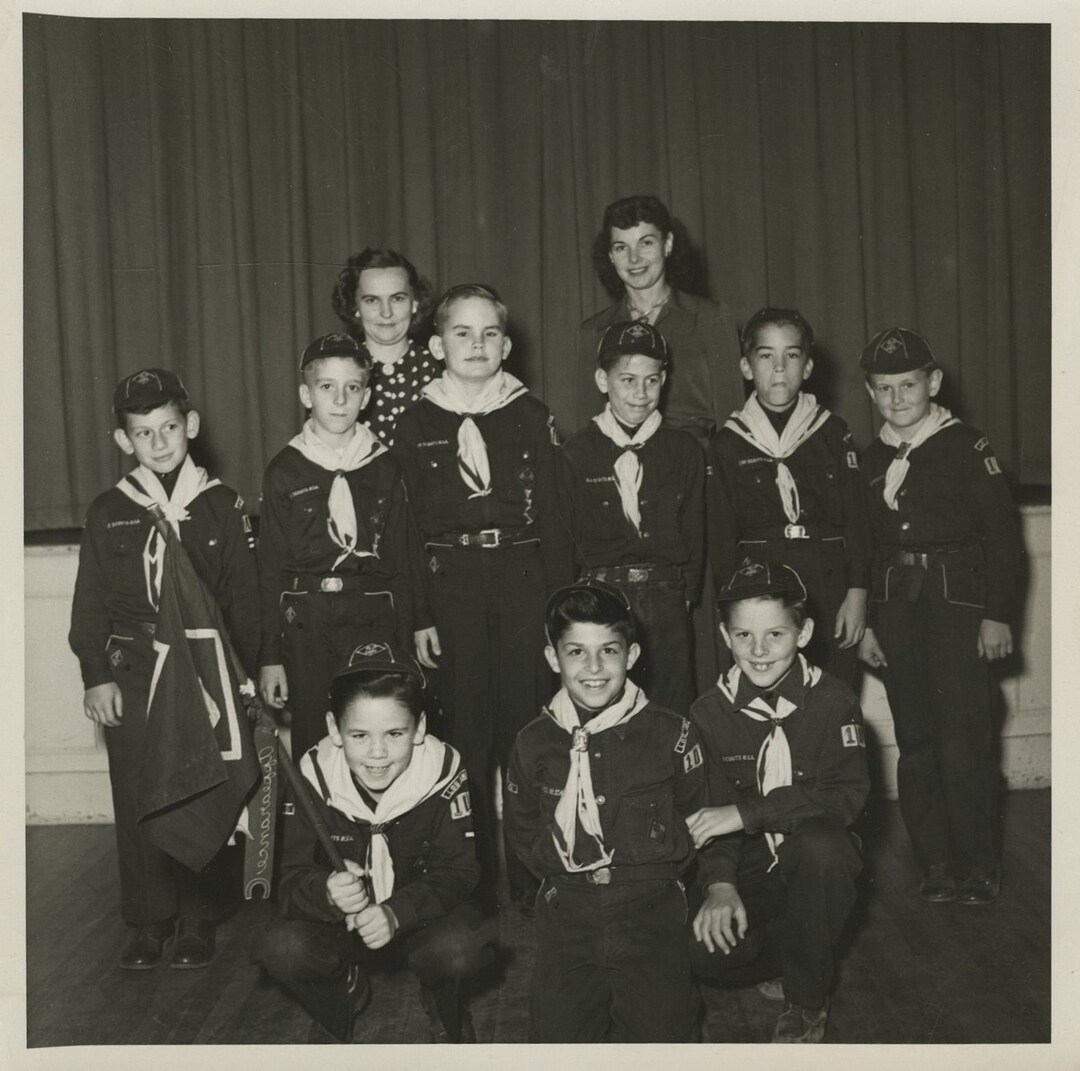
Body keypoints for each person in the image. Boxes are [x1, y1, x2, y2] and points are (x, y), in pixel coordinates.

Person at [68, 368, 260, 970]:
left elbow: (245, 601)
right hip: (133, 671)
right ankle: (150, 921)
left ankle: (197, 919)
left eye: (169, 428)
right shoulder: (109, 512)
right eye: (142, 432)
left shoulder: (221, 505)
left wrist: (247, 678)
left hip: (205, 671)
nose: (158, 442)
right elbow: (89, 604)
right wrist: (95, 674)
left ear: (191, 427)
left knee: (200, 783)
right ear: (123, 440)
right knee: (138, 795)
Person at [393, 283, 573, 913]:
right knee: (464, 740)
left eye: (489, 333)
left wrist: (560, 613)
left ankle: (532, 878)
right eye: (462, 334)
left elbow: (554, 517)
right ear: (438, 344)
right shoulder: (414, 423)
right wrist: (418, 615)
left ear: (507, 343)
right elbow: (406, 530)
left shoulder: (529, 414)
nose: (477, 345)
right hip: (452, 586)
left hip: (523, 577)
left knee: (525, 732)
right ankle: (470, 885)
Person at [504, 583, 717, 1042]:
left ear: (633, 654)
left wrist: (656, 878)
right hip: (568, 909)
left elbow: (698, 816)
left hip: (651, 906)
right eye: (576, 651)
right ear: (552, 657)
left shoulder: (673, 734)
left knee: (665, 1037)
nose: (594, 668)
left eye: (609, 651)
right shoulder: (533, 742)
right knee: (557, 1041)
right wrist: (561, 871)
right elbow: (521, 825)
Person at [257, 641, 493, 1043]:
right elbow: (287, 877)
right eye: (360, 735)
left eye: (395, 733)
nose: (378, 753)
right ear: (334, 729)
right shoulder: (311, 778)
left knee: (461, 948)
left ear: (419, 729)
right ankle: (340, 998)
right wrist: (326, 893)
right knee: (280, 947)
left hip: (421, 923)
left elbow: (460, 871)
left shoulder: (445, 773)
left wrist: (398, 913)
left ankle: (441, 996)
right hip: (345, 928)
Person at [857, 327, 1020, 906]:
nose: (897, 398)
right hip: (899, 611)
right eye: (883, 388)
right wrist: (870, 624)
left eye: (908, 385)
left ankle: (978, 864)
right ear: (870, 392)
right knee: (917, 739)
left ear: (933, 383)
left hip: (958, 610)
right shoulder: (871, 457)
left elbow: (1003, 539)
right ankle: (936, 863)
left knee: (963, 741)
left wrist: (997, 615)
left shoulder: (965, 446)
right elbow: (869, 549)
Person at [687, 558, 869, 1043]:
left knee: (821, 848)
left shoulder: (834, 702)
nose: (759, 651)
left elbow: (844, 797)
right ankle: (794, 950)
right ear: (726, 637)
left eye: (775, 635)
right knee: (706, 955)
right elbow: (709, 818)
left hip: (813, 859)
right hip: (750, 863)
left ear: (804, 632)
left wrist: (750, 812)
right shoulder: (708, 712)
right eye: (743, 636)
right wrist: (720, 886)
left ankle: (807, 998)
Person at [258, 333, 426, 759]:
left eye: (352, 388)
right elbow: (270, 569)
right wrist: (270, 656)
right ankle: (315, 827)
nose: (339, 399)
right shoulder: (285, 469)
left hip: (370, 616)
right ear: (305, 394)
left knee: (370, 729)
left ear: (366, 396)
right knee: (315, 741)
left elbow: (404, 560)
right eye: (326, 387)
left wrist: (406, 643)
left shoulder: (385, 466)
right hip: (306, 622)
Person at [706, 307, 869, 682]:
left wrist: (857, 592)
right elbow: (721, 538)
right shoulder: (729, 443)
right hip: (759, 586)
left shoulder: (832, 433)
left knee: (832, 691)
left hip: (826, 584)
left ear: (808, 367)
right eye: (766, 356)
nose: (779, 367)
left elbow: (857, 521)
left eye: (792, 356)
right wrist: (733, 610)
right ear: (746, 368)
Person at [560, 319, 704, 713]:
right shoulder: (576, 452)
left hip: (666, 596)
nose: (641, 394)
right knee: (607, 706)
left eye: (652, 381)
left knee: (670, 708)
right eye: (627, 380)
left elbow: (695, 532)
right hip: (602, 594)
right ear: (602, 380)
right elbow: (564, 540)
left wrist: (684, 594)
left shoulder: (683, 449)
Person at [576, 193, 743, 444]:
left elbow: (734, 421)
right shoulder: (593, 332)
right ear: (610, 255)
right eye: (621, 247)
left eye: (646, 243)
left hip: (698, 465)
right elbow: (588, 432)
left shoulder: (711, 318)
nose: (634, 259)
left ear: (668, 244)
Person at [331, 247, 440, 447]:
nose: (386, 312)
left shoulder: (440, 369)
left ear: (414, 303)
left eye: (397, 298)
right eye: (372, 300)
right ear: (355, 307)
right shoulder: (336, 373)